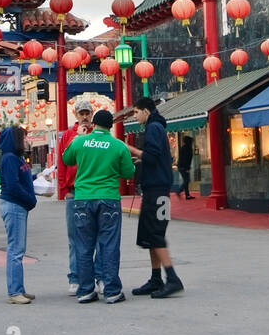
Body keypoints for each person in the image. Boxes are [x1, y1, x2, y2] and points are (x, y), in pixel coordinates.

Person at [62, 109, 136, 303]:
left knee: (83, 245)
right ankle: (111, 291)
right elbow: (128, 173)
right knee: (109, 245)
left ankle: (85, 290)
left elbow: (66, 159)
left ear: (93, 124)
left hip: (83, 199)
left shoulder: (80, 142)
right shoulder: (117, 145)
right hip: (109, 199)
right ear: (111, 126)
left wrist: (77, 136)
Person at [126, 97, 184, 298]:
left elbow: (151, 156)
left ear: (146, 111)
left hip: (157, 190)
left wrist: (131, 150)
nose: (135, 116)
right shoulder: (156, 127)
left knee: (156, 233)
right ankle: (156, 278)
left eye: (136, 112)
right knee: (151, 234)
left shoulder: (154, 128)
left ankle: (172, 278)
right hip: (158, 189)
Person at [57, 100, 96, 295]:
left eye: (87, 113)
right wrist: (63, 189)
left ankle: (96, 276)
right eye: (81, 113)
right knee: (75, 237)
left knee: (95, 237)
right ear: (76, 114)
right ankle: (75, 277)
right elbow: (62, 162)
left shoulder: (97, 134)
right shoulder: (68, 136)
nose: (84, 116)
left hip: (93, 190)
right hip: (74, 190)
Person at [0, 126, 36, 304]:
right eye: (24, 137)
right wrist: (30, 199)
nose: (27, 141)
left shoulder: (14, 158)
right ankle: (14, 292)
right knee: (16, 249)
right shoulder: (10, 159)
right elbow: (13, 186)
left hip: (18, 206)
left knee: (18, 248)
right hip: (14, 206)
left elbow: (20, 181)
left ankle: (18, 288)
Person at [176, 135, 195, 199]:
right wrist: (187, 167)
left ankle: (187, 195)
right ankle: (179, 191)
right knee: (187, 180)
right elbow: (186, 159)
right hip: (183, 166)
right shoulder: (187, 148)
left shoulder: (184, 148)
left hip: (182, 166)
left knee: (186, 180)